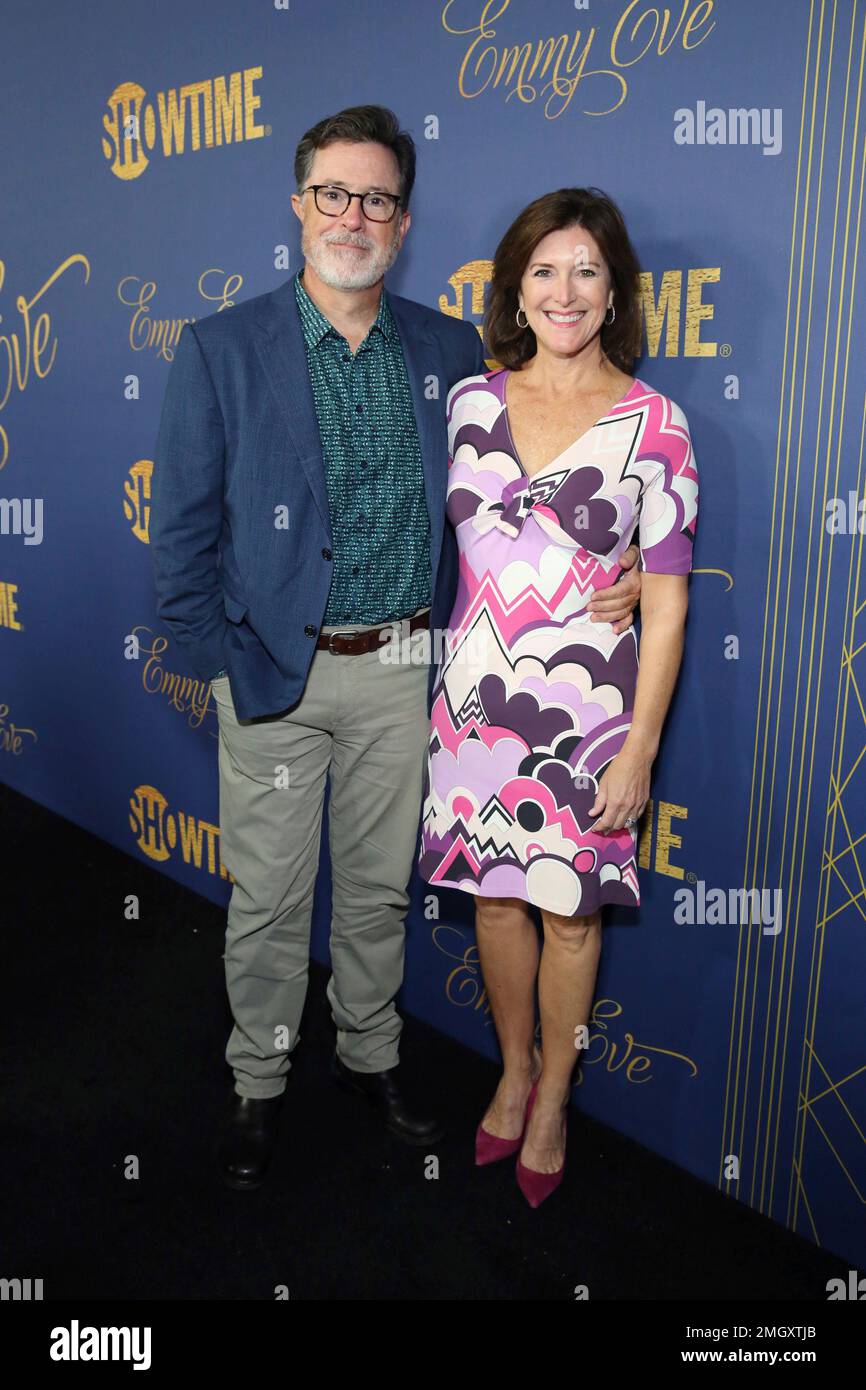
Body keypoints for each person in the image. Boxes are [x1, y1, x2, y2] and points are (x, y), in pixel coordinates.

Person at [150, 108, 643, 1192]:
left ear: (403, 220)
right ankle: (260, 1079)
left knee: (375, 894)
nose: (352, 216)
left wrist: (621, 577)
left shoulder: (447, 353)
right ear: (297, 203)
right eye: (332, 192)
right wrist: (230, 670)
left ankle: (369, 1060)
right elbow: (177, 547)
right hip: (274, 676)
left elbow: (516, 507)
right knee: (273, 898)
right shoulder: (221, 351)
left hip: (404, 673)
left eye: (375, 198)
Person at [419, 187, 699, 1207]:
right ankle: (511, 1066)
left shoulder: (655, 427)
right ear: (515, 288)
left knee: (570, 919)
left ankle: (553, 1099)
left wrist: (639, 753)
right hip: (472, 706)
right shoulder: (467, 403)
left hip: (587, 724)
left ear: (615, 289)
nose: (564, 290)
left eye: (585, 269)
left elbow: (662, 610)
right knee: (493, 901)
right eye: (543, 269)